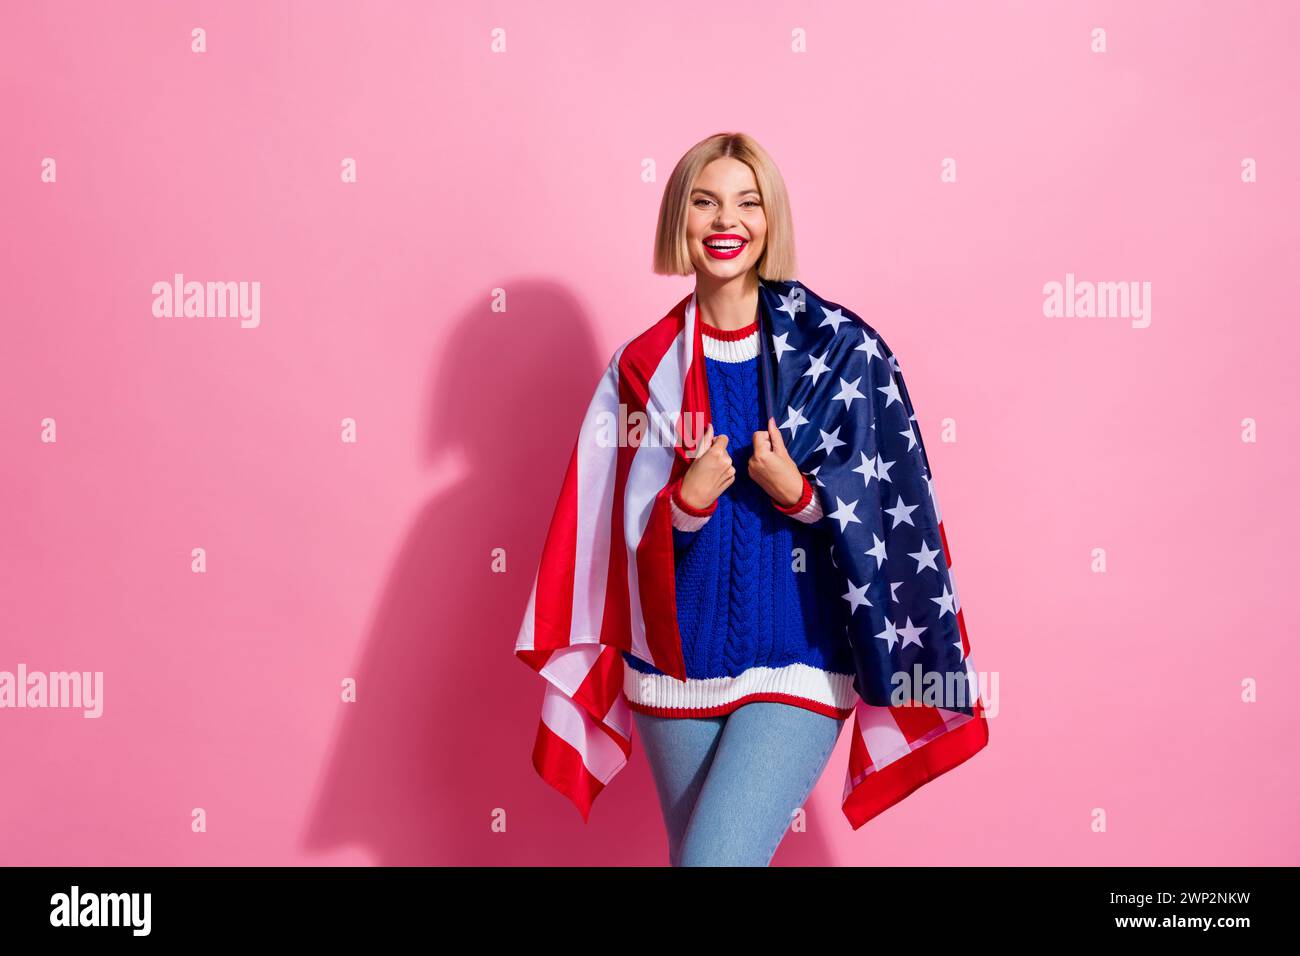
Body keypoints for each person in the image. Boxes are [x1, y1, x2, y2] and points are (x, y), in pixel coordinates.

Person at [620, 132, 857, 866]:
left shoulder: (832, 352)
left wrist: (803, 497)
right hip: (675, 671)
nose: (727, 222)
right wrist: (686, 504)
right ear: (679, 220)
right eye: (705, 201)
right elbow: (617, 546)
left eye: (747, 203)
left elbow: (879, 502)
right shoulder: (645, 366)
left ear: (770, 219)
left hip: (799, 658)